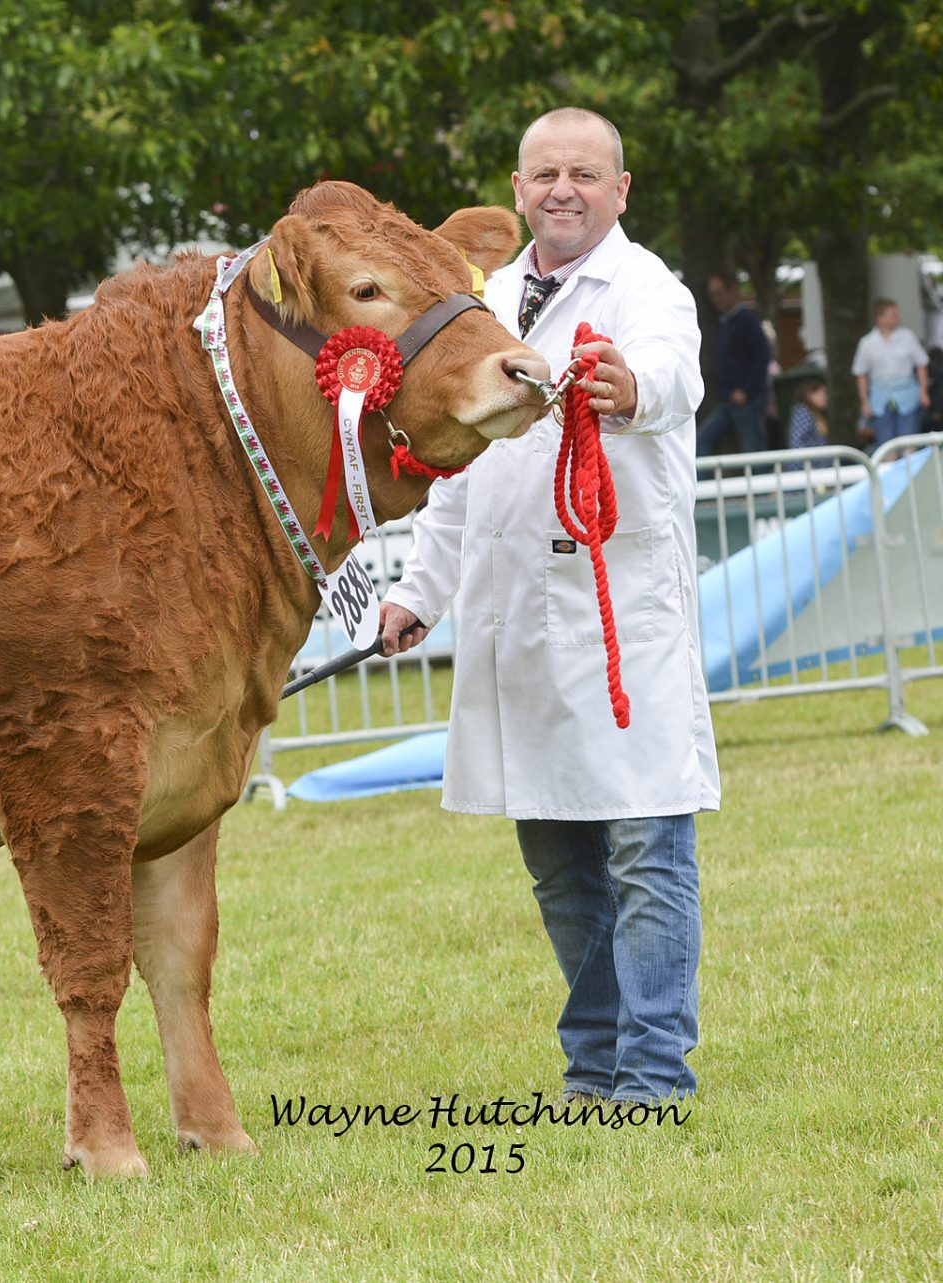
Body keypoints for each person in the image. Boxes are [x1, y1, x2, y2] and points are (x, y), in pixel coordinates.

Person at [378, 107, 718, 1108]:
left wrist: (627, 386)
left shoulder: (649, 290)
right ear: (519, 190)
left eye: (585, 173)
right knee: (561, 864)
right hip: (517, 617)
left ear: (621, 190)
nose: (563, 189)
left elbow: (674, 378)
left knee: (646, 850)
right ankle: (594, 1063)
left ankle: (652, 1074)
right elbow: (459, 468)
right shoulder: (481, 300)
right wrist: (418, 591)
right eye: (545, 174)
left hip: (619, 615)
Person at [695, 274, 771, 456]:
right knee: (700, 440)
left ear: (732, 291)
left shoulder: (747, 321)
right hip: (728, 400)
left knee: (753, 453)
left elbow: (763, 356)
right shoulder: (724, 322)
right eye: (712, 295)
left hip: (746, 401)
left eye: (719, 293)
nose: (716, 299)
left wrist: (745, 390)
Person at [851, 300, 929, 445]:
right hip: (880, 399)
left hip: (907, 396)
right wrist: (864, 401)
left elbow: (921, 364)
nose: (898, 318)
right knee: (885, 443)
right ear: (880, 318)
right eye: (893, 315)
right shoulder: (867, 343)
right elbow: (861, 374)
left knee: (909, 442)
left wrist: (923, 391)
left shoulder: (907, 336)